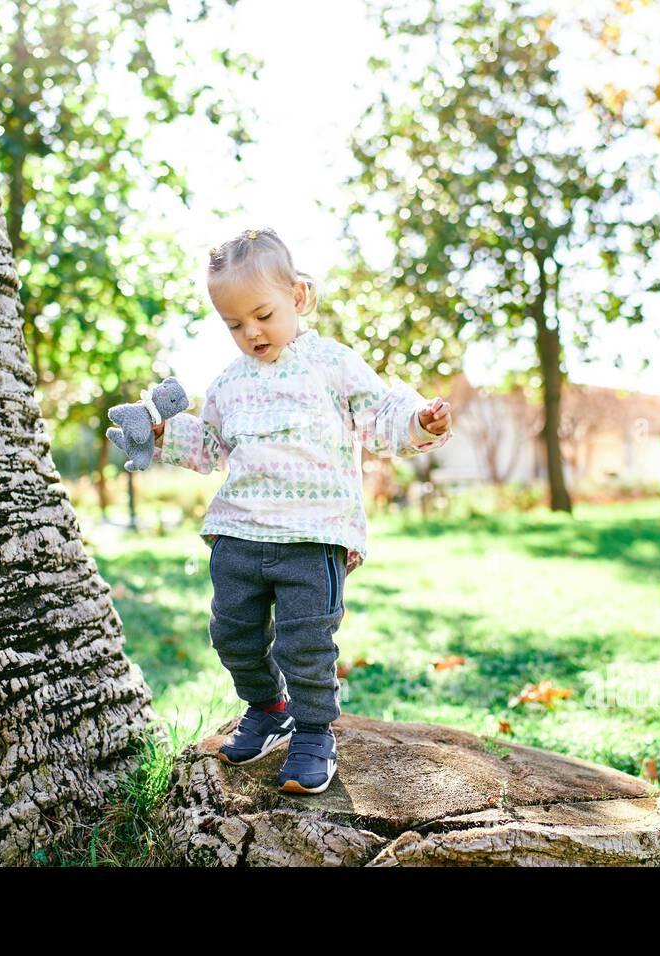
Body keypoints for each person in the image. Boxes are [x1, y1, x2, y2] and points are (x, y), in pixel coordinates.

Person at [147, 226, 452, 794]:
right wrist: (165, 434)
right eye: (234, 324)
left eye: (262, 314)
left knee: (305, 642)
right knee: (232, 634)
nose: (251, 332)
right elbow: (211, 446)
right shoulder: (229, 383)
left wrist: (419, 422)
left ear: (299, 297)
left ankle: (314, 733)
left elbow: (382, 414)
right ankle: (268, 708)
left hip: (314, 536)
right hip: (238, 535)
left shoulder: (332, 364)